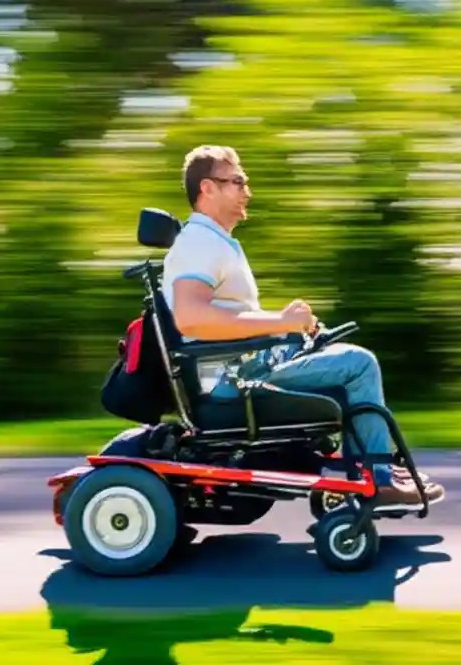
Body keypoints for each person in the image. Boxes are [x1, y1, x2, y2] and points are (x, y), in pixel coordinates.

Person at [161, 144, 443, 507]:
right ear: (207, 188)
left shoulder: (213, 241)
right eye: (237, 181)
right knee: (359, 365)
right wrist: (280, 322)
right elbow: (192, 317)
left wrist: (290, 329)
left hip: (240, 369)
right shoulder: (199, 242)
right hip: (232, 383)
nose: (248, 190)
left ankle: (375, 464)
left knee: (330, 348)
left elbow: (226, 317)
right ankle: (378, 475)